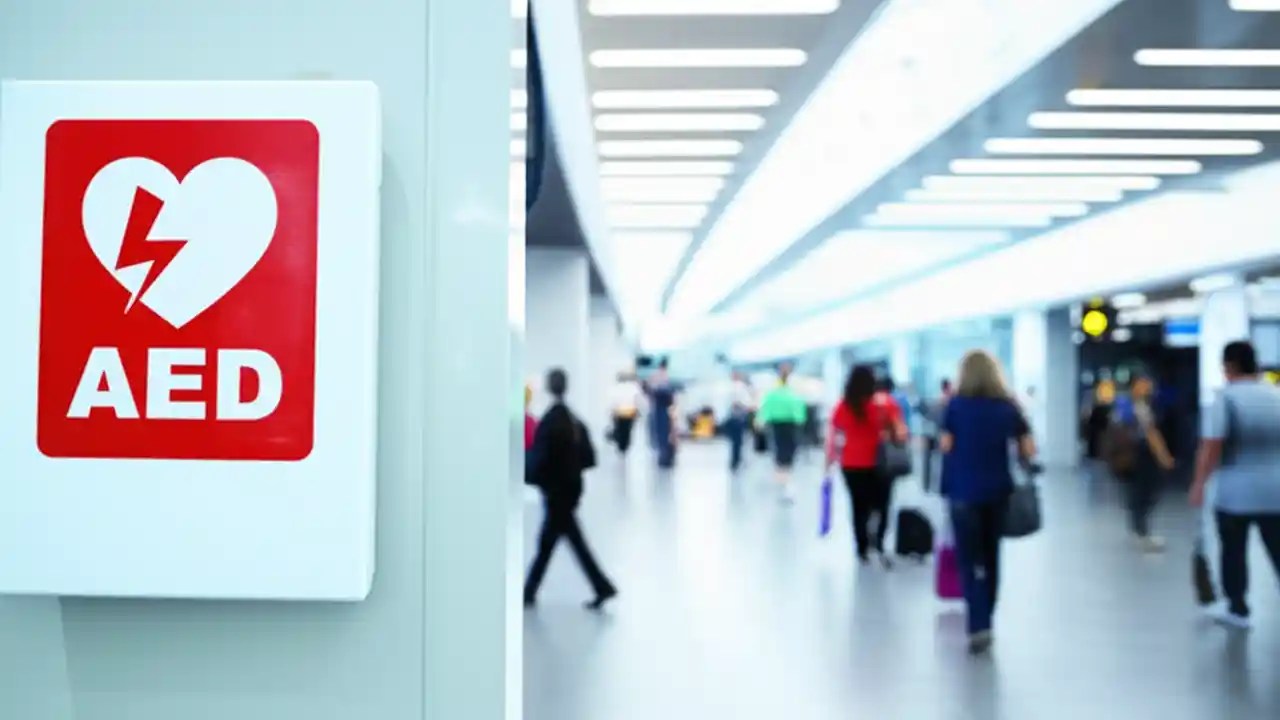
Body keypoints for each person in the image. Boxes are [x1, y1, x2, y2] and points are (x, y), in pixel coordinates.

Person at [940, 351, 1035, 654]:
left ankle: (977, 622)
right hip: (997, 491)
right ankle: (988, 618)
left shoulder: (954, 406)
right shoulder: (1008, 406)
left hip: (962, 491)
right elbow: (1029, 449)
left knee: (969, 560)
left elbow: (946, 445)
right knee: (992, 556)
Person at [1190, 341, 1280, 630]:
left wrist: (1199, 483)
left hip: (1235, 494)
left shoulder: (1225, 399)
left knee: (1233, 551)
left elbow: (1212, 446)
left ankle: (1238, 609)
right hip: (1275, 492)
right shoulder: (1275, 395)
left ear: (1228, 366)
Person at [524, 368, 618, 610]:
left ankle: (529, 592)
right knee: (563, 542)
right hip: (570, 491)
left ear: (548, 387)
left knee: (550, 543)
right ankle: (600, 586)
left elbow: (540, 459)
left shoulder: (550, 421)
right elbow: (589, 457)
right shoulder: (573, 420)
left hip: (556, 494)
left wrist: (533, 476)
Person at [827, 365, 908, 567]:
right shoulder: (886, 404)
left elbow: (834, 437)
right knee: (882, 504)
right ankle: (879, 542)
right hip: (880, 464)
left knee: (858, 506)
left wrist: (828, 461)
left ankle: (861, 548)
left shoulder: (842, 406)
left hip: (851, 463)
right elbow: (901, 433)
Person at [1114, 375, 1177, 552]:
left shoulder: (1127, 405)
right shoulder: (1137, 407)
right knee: (1143, 494)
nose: (1148, 388)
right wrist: (1163, 456)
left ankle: (1138, 530)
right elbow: (1151, 433)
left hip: (1131, 456)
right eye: (1144, 385)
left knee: (1137, 495)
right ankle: (1141, 532)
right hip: (1139, 457)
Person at [757, 362, 808, 503]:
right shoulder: (794, 391)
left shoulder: (774, 391)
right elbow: (799, 410)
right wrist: (800, 420)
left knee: (780, 455)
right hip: (791, 425)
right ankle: (787, 484)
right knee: (789, 454)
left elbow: (765, 407)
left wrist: (761, 420)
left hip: (777, 425)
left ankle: (784, 484)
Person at [921, 379, 954, 493]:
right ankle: (928, 484)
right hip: (939, 435)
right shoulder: (944, 403)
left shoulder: (941, 403)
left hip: (938, 435)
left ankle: (930, 485)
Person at [648, 361, 679, 469]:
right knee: (666, 435)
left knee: (662, 435)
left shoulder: (656, 378)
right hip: (664, 411)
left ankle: (664, 458)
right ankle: (665, 458)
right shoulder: (665, 378)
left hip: (661, 411)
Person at [722, 370, 755, 472]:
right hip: (738, 417)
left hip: (730, 418)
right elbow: (745, 403)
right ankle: (736, 461)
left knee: (734, 442)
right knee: (738, 441)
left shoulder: (729, 387)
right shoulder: (740, 387)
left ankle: (734, 461)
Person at [609, 371, 644, 456]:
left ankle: (621, 447)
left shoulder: (617, 388)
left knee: (621, 430)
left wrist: (612, 412)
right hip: (629, 413)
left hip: (620, 413)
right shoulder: (632, 388)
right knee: (627, 431)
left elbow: (613, 402)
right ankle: (625, 447)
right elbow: (636, 401)